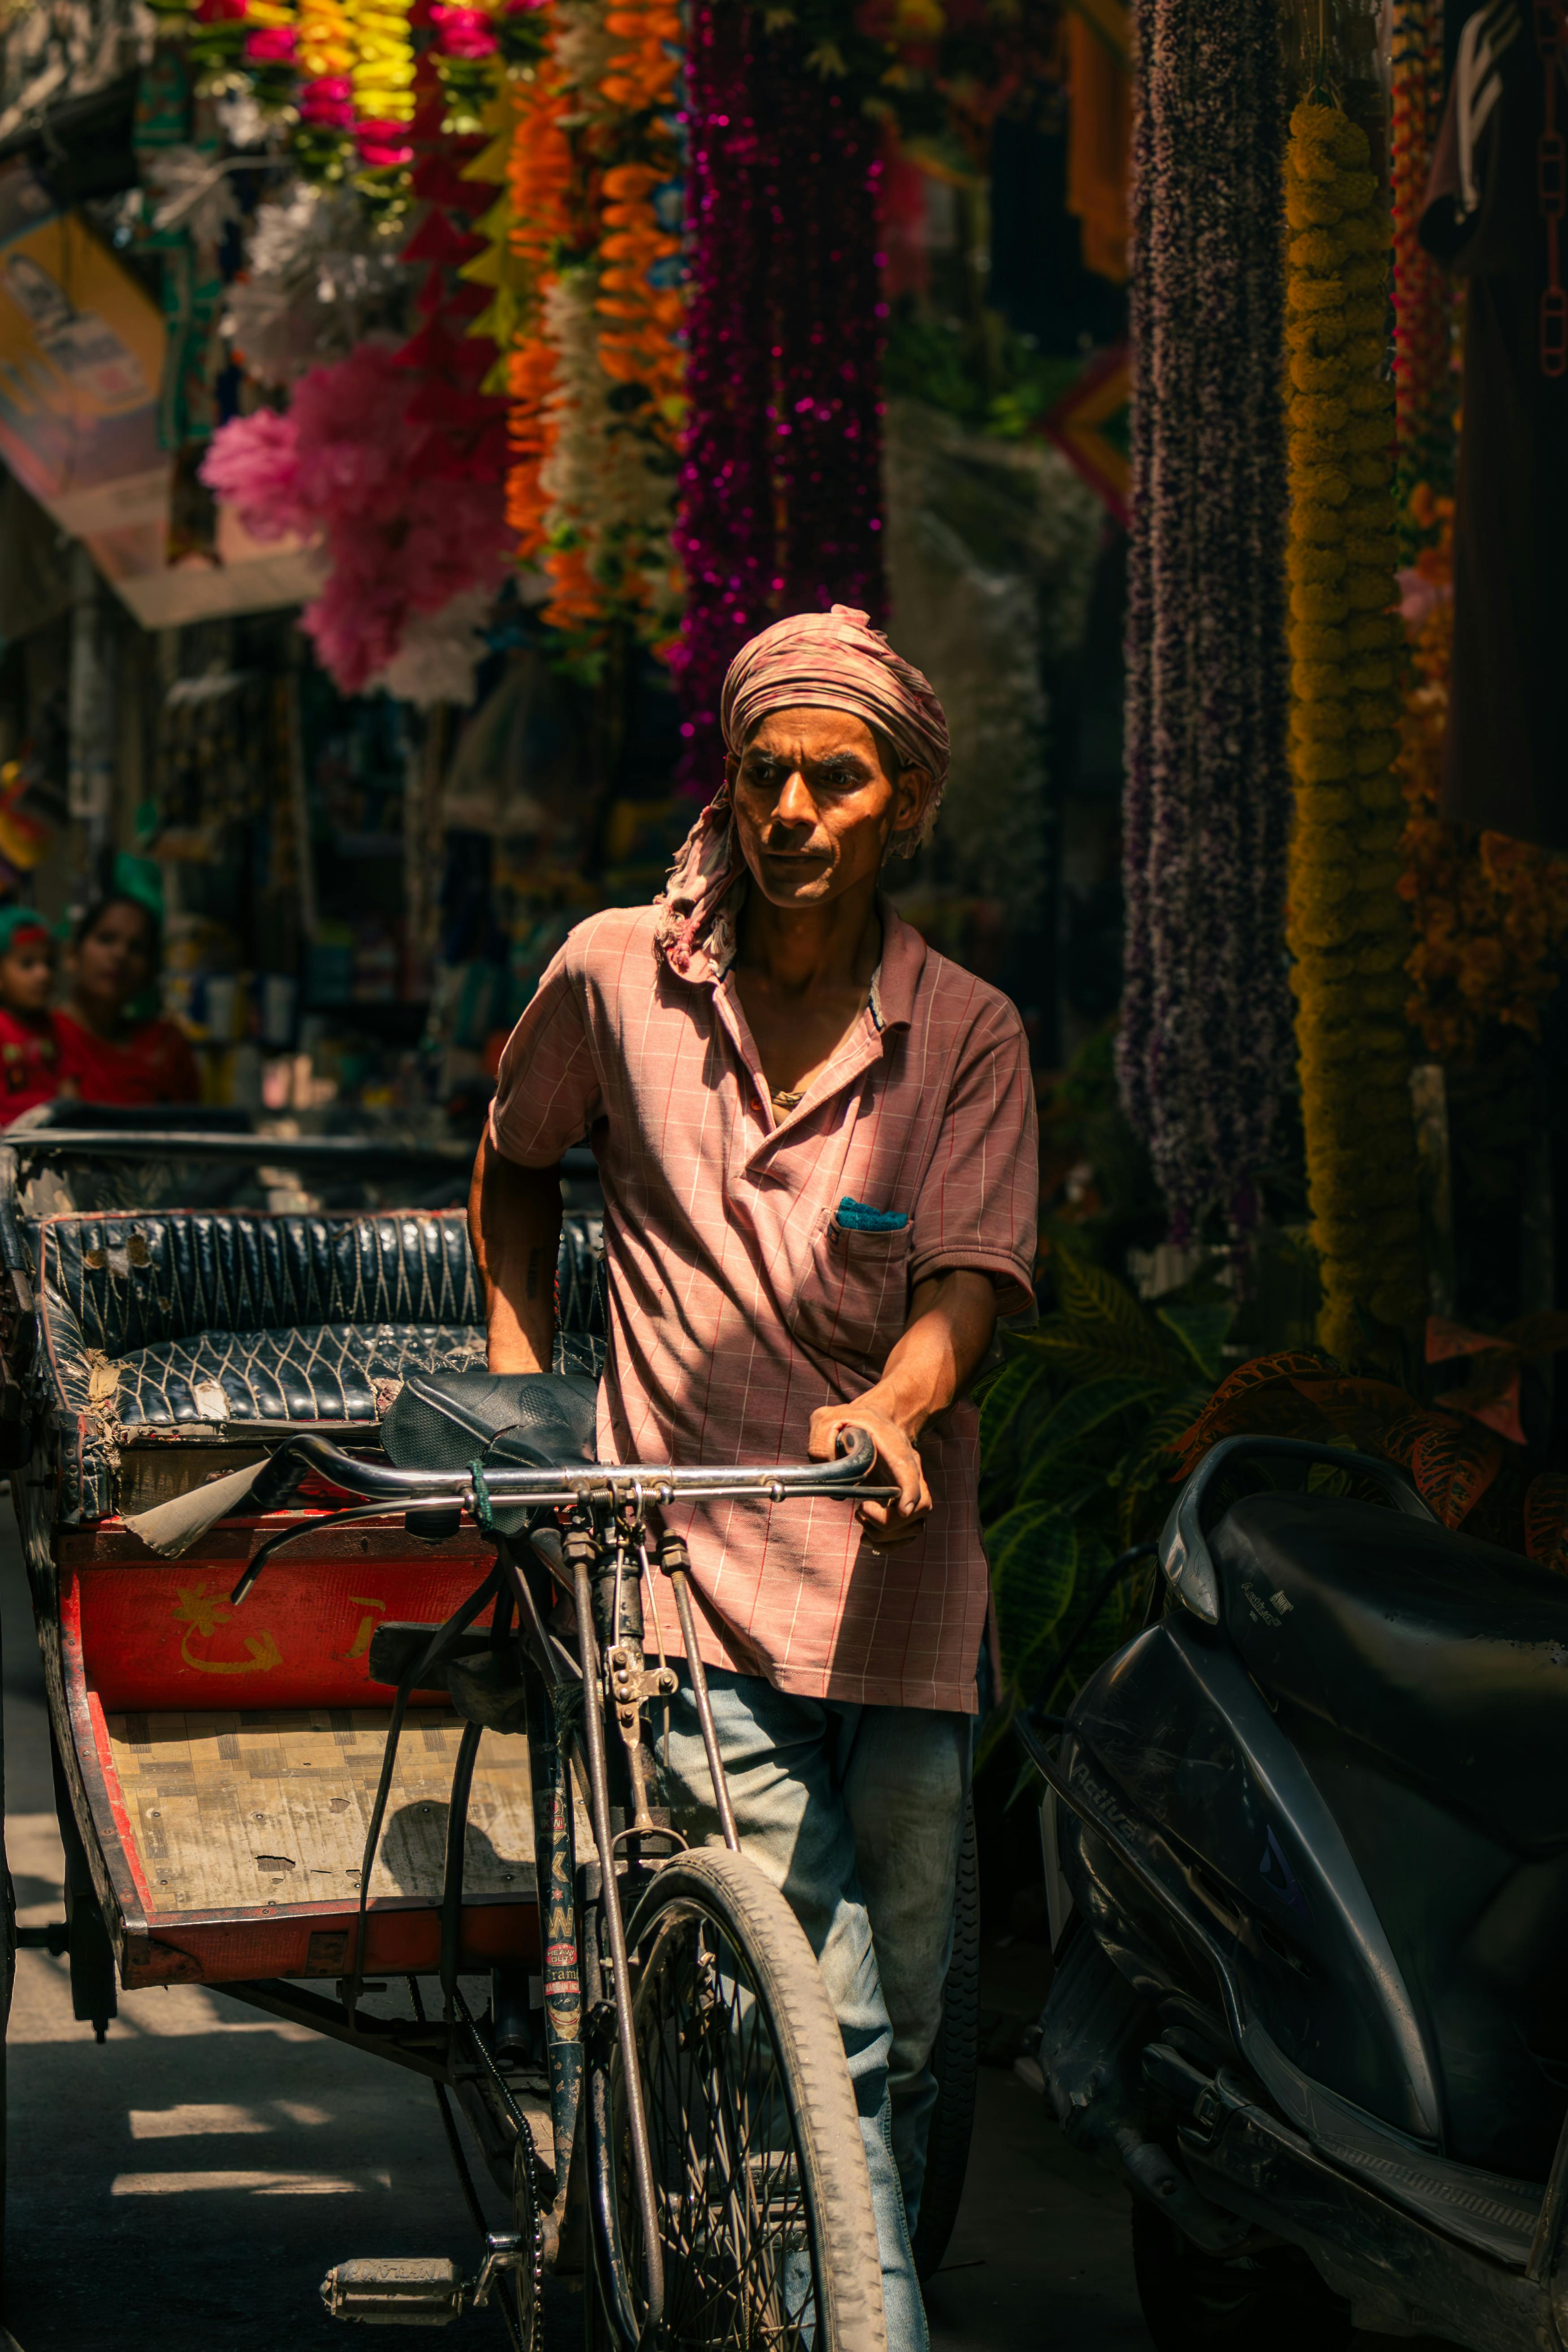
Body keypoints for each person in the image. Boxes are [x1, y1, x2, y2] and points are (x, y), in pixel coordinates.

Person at [470, 603, 1038, 2349]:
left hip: (896, 1586)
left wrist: (896, 1403)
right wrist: (525, 1401)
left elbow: (963, 1283)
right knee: (835, 2015)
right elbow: (513, 1166)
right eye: (767, 773)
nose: (793, 810)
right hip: (681, 1584)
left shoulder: (964, 1034)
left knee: (917, 2035)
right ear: (733, 778)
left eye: (837, 781)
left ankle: (833, 2295)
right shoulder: (609, 973)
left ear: (907, 807)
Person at [56, 896, 201, 1108]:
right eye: (106, 939)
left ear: (149, 974)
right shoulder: (35, 1037)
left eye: (136, 948)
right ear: (72, 955)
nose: (120, 954)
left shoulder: (166, 1045)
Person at [0, 905, 69, 1123]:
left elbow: (69, 1088)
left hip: (53, 1137)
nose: (43, 974)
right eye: (27, 964)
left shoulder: (58, 1026)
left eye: (49, 963)